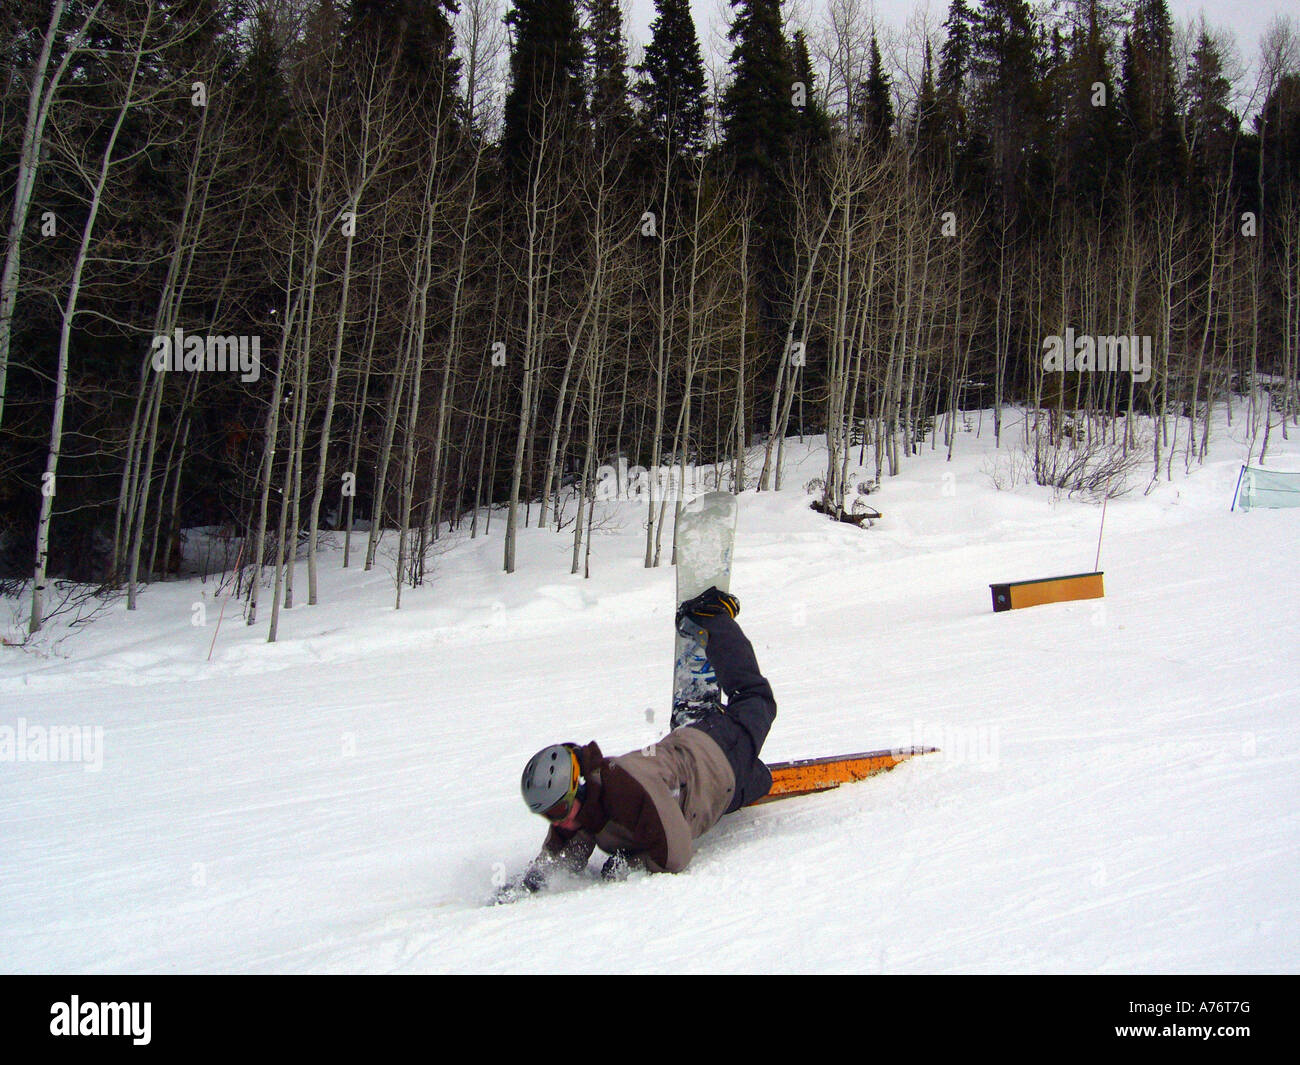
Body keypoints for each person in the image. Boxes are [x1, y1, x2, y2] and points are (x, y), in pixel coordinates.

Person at [501, 587, 777, 899]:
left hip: (721, 754)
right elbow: (561, 864)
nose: (558, 819)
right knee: (757, 783)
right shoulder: (581, 809)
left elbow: (676, 854)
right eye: (550, 814)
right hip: (694, 758)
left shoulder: (623, 789)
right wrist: (526, 888)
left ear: (578, 783)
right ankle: (738, 757)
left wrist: (626, 866)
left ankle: (713, 615)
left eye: (560, 808)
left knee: (756, 698)